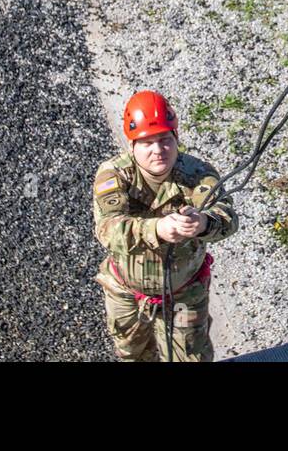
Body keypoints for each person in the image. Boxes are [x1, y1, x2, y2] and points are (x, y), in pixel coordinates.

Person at [91, 90, 238, 360]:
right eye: (147, 143)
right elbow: (108, 229)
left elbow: (227, 217)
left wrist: (203, 223)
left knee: (190, 358)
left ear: (176, 138)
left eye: (165, 140)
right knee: (133, 354)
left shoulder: (197, 174)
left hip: (184, 293)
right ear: (132, 145)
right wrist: (157, 229)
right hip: (127, 291)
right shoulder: (114, 175)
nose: (158, 151)